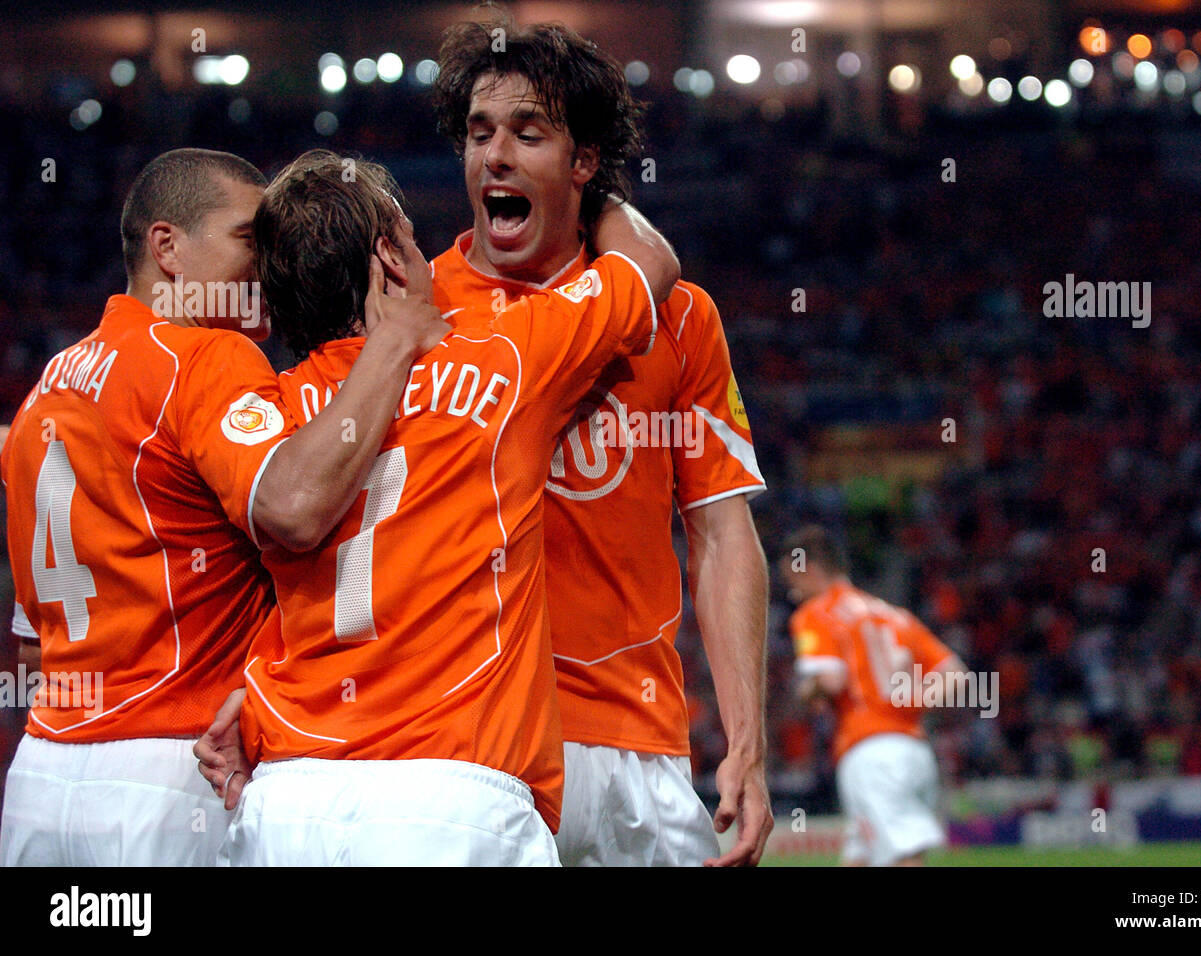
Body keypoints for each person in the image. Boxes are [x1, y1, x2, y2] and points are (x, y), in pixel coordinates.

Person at [214, 149, 678, 865]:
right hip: (456, 796)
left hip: (289, 799)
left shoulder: (263, 413)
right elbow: (648, 261)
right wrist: (586, 183)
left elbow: (287, 515)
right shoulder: (507, 360)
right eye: (411, 239)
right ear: (394, 261)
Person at [0, 147, 439, 866]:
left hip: (41, 777)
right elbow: (294, 509)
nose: (268, 263)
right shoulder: (203, 359)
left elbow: (31, 644)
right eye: (248, 238)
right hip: (170, 776)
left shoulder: (43, 393)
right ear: (167, 247)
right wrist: (394, 338)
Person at [429, 18, 773, 867]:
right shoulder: (414, 313)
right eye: (479, 133)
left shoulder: (683, 317)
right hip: (471, 738)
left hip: (639, 741)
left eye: (527, 133)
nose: (495, 156)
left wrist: (748, 745)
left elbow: (723, 531)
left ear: (584, 163)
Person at [782, 525, 966, 866]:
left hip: (870, 750)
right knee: (862, 854)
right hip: (914, 750)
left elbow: (832, 680)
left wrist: (807, 690)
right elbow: (956, 674)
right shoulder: (894, 615)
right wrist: (911, 702)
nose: (793, 594)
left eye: (793, 582)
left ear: (807, 569)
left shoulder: (816, 613)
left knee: (902, 856)